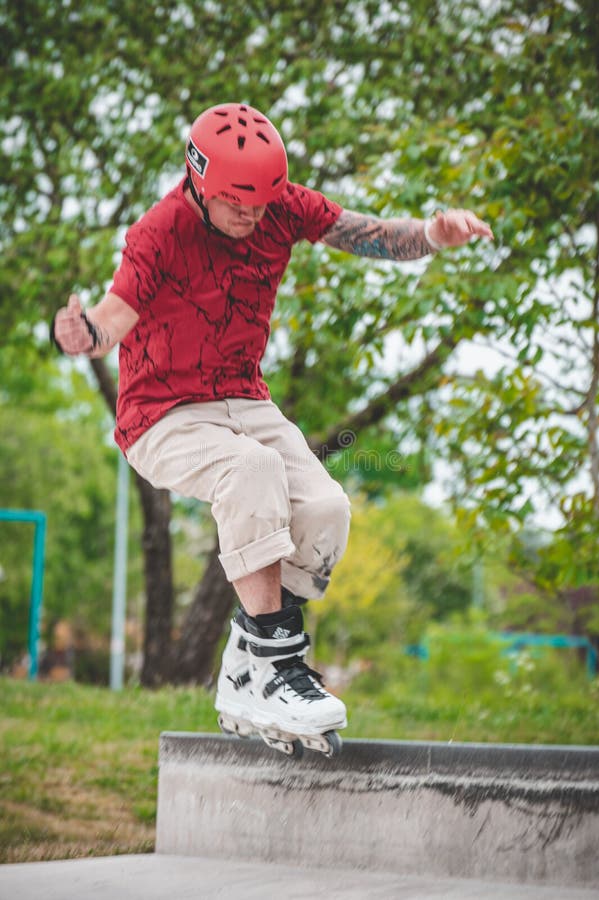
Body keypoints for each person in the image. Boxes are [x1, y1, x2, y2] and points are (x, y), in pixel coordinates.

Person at [51, 102, 493, 754]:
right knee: (251, 471)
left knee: (325, 509)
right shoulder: (160, 231)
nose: (252, 216)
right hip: (161, 417)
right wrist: (85, 334)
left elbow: (360, 232)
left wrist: (430, 235)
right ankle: (280, 670)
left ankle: (247, 661)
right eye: (236, 203)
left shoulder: (282, 205)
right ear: (198, 182)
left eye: (261, 203)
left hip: (244, 401)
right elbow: (115, 316)